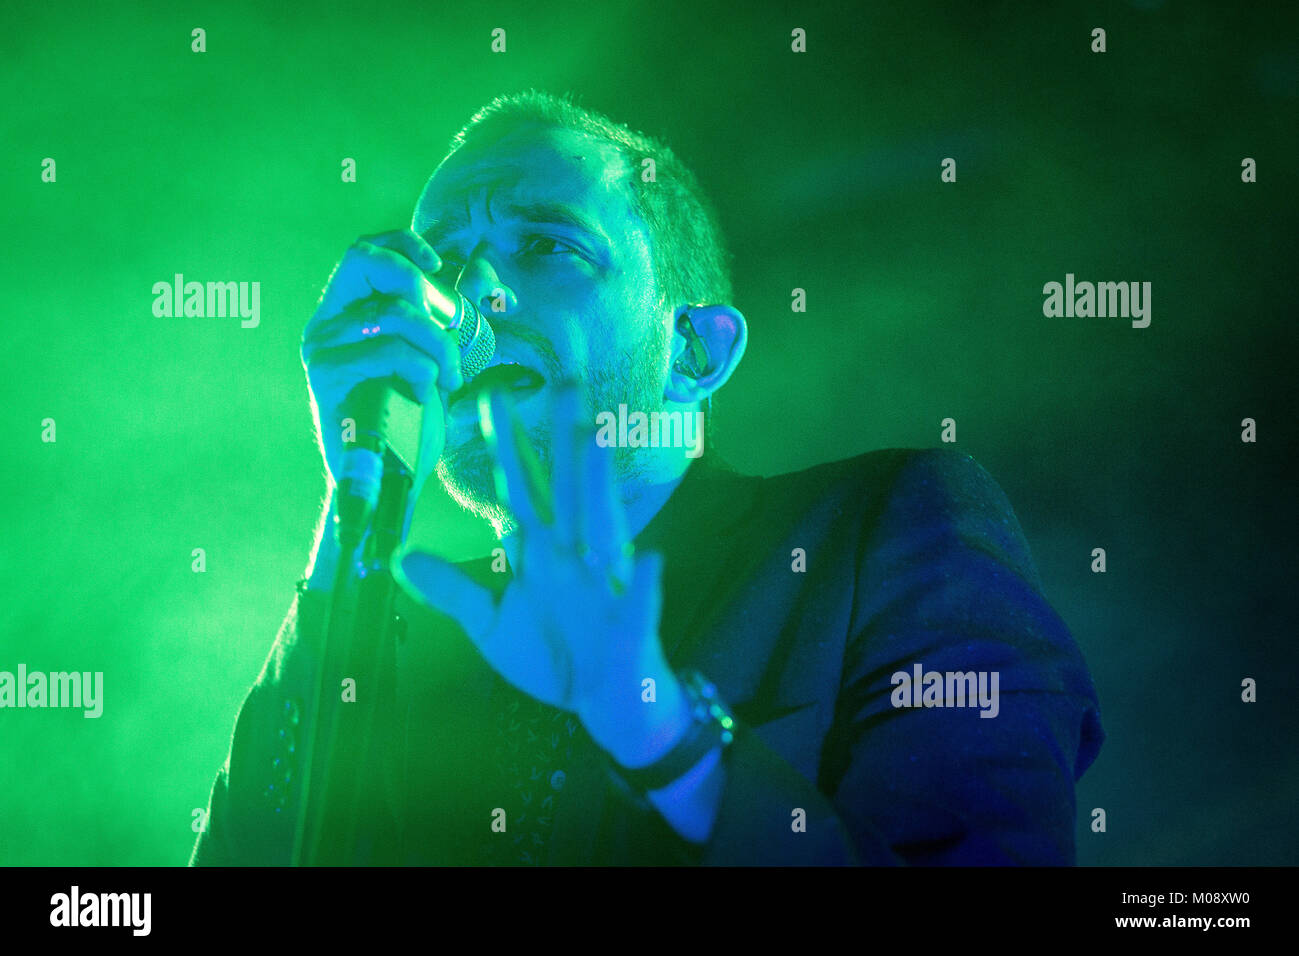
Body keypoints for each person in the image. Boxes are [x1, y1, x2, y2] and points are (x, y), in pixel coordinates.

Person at [190, 90, 1104, 866]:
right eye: (445, 256)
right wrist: (359, 492)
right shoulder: (392, 638)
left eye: (548, 246)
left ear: (696, 350)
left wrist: (666, 737)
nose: (473, 293)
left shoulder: (884, 527)